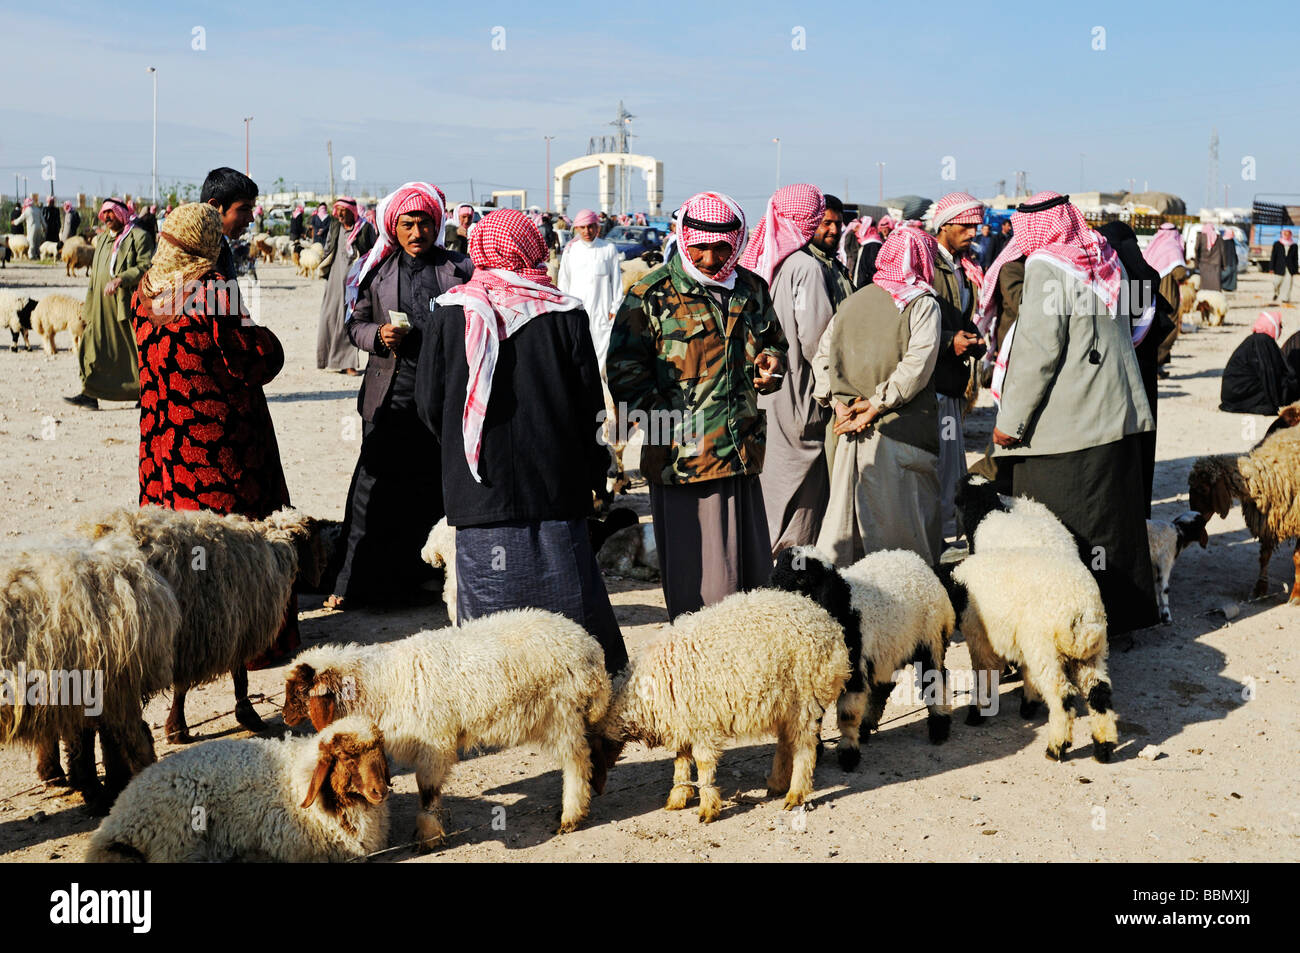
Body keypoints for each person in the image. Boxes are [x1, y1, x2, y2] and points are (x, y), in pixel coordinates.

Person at [415, 209, 627, 673]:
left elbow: (430, 404)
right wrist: (596, 473)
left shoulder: (451, 312)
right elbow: (591, 409)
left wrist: (460, 452)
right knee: (568, 613)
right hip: (554, 489)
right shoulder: (563, 313)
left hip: (480, 491)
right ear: (531, 248)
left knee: (488, 627)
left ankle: (495, 705)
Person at [132, 201, 298, 684]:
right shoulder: (211, 293)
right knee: (233, 549)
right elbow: (255, 358)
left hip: (162, 446)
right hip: (218, 448)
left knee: (177, 550)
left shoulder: (143, 293)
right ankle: (250, 645)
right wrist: (268, 338)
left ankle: (177, 649)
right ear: (210, 243)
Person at [607, 191, 787, 620]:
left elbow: (774, 345)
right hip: (682, 461)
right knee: (701, 584)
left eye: (720, 248)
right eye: (699, 247)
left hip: (740, 452)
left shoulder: (750, 288)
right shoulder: (649, 295)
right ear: (684, 239)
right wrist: (676, 426)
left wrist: (771, 365)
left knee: (750, 577)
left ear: (737, 243)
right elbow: (623, 373)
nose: (709, 258)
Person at [991, 191, 1157, 634]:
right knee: (1110, 526)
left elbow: (1039, 350)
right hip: (1114, 417)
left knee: (1064, 530)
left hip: (1069, 427)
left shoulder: (1047, 266)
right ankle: (1114, 620)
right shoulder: (1102, 255)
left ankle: (1068, 628)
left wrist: (1010, 424)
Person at [326, 183, 473, 611]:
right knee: (374, 488)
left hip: (444, 394)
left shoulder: (459, 268)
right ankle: (353, 581)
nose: (417, 231)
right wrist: (378, 336)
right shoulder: (376, 270)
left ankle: (430, 580)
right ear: (394, 226)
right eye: (408, 223)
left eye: (425, 222)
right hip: (391, 393)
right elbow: (355, 324)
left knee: (434, 485)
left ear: (437, 224)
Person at [814, 227, 944, 566]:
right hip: (901, 432)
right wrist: (874, 405)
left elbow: (822, 359)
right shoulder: (924, 303)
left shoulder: (853, 300)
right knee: (904, 538)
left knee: (846, 534)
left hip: (846, 433)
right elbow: (917, 365)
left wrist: (838, 404)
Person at [738, 184, 836, 553]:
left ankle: (763, 558)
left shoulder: (760, 261)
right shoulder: (805, 267)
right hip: (797, 392)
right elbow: (817, 340)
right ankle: (788, 569)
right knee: (801, 486)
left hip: (764, 391)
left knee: (771, 478)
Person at [1099, 220, 1175, 516]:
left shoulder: (1119, 278)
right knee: (1140, 448)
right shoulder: (1145, 277)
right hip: (1144, 378)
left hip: (1121, 378)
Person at [928, 192, 987, 542]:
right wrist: (951, 341)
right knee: (934, 464)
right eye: (965, 225)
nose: (972, 232)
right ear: (945, 225)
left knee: (952, 464)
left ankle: (949, 534)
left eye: (975, 226)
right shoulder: (928, 264)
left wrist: (973, 338)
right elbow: (913, 323)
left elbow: (960, 315)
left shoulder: (963, 266)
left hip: (952, 380)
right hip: (929, 380)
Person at [64, 198, 154, 409]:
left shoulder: (140, 237)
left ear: (122, 213)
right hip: (99, 304)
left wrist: (121, 279)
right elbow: (95, 276)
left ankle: (143, 392)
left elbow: (145, 266)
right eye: (104, 213)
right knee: (91, 345)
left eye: (111, 213)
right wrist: (88, 308)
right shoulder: (103, 239)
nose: (107, 217)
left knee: (131, 350)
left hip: (125, 303)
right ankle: (90, 393)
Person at [557, 209, 623, 370]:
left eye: (591, 226)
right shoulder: (570, 250)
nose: (587, 231)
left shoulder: (608, 249)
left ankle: (602, 388)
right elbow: (564, 281)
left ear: (597, 227)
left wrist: (615, 308)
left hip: (603, 310)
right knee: (578, 348)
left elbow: (616, 281)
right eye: (583, 227)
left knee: (602, 348)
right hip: (577, 310)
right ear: (577, 228)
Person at [316, 197, 376, 375]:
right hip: (335, 278)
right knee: (330, 316)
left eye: (344, 211)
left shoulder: (365, 229)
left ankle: (348, 362)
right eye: (338, 211)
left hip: (355, 280)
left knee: (349, 317)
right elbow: (328, 248)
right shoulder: (335, 226)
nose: (340, 215)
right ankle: (328, 359)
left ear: (353, 211)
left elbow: (372, 252)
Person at [1219, 311, 1299, 416]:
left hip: (1231, 394)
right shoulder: (1262, 341)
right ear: (1272, 325)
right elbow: (1270, 374)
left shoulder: (1255, 339)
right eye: (1279, 325)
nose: (1281, 329)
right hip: (1239, 393)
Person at [1144, 222, 1188, 373]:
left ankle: (1158, 365)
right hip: (1167, 293)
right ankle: (1156, 363)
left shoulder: (1154, 246)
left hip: (1150, 292)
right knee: (1169, 328)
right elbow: (1180, 273)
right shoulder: (1172, 248)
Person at [200, 167, 258, 281]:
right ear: (214, 207)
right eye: (244, 209)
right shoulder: (188, 256)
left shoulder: (219, 245)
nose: (251, 218)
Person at [1193, 221, 1223, 293]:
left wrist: (1196, 263)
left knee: (1204, 287)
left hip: (1203, 264)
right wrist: (1223, 265)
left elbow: (1196, 249)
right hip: (1215, 264)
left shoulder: (1200, 236)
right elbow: (1222, 251)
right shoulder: (1218, 237)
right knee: (1215, 287)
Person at [1270, 229, 1297, 304]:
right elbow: (1273, 256)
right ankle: (1276, 293)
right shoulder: (1277, 244)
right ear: (1282, 234)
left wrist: (1295, 269)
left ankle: (1285, 298)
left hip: (1289, 267)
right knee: (1276, 282)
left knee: (1288, 283)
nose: (1287, 235)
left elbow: (1295, 258)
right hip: (1279, 266)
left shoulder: (1294, 245)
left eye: (1288, 234)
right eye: (1285, 234)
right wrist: (1271, 268)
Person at [1220, 227, 1239, 292]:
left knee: (1232, 274)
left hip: (1232, 261)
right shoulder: (1224, 241)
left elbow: (1234, 252)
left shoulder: (1232, 241)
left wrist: (1236, 260)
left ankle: (1230, 287)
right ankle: (1224, 286)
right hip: (1227, 261)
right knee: (1226, 273)